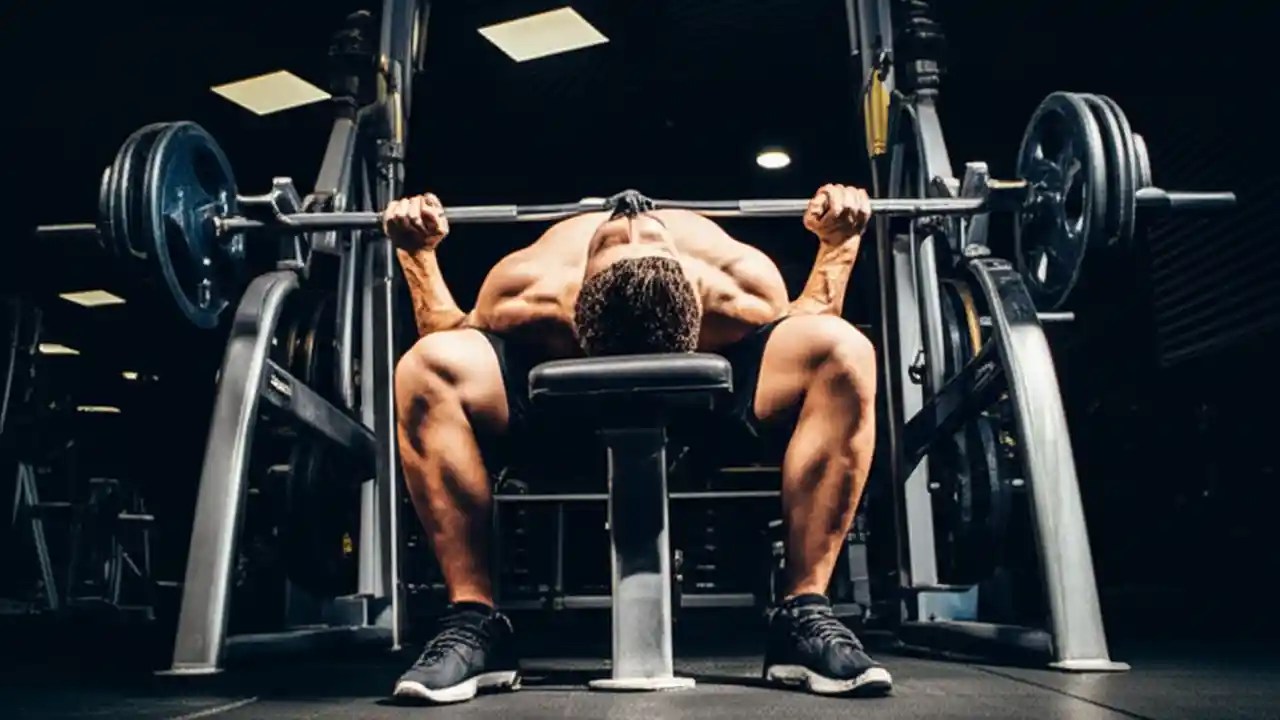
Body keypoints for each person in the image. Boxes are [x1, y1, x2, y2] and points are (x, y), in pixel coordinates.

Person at [385, 185, 888, 703]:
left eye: (649, 235)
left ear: (699, 294)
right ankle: (475, 620)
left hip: (711, 398)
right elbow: (445, 332)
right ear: (573, 299)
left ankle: (803, 613)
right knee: (426, 368)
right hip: (559, 404)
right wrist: (418, 255)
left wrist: (837, 244)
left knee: (843, 351)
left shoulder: (738, 292)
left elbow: (814, 316)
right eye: (613, 239)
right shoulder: (530, 295)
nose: (630, 209)